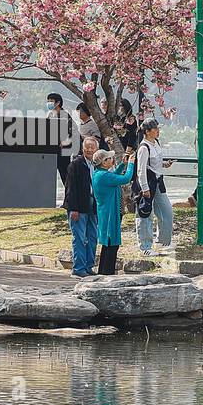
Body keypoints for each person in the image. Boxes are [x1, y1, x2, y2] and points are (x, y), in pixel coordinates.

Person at [91, 147, 136, 275]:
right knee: (112, 244)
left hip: (107, 212)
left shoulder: (100, 174)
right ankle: (107, 272)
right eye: (109, 158)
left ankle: (103, 271)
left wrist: (123, 164)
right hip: (110, 213)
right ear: (104, 162)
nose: (112, 160)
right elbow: (126, 179)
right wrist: (131, 164)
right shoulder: (104, 176)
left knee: (107, 244)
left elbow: (114, 176)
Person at [134, 118, 175, 255]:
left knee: (167, 211)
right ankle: (145, 247)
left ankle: (163, 241)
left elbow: (155, 162)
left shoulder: (155, 143)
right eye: (155, 128)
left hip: (158, 182)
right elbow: (141, 170)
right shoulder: (143, 148)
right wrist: (145, 189)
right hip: (148, 184)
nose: (158, 130)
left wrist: (165, 164)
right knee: (145, 213)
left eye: (158, 128)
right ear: (147, 132)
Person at [61, 136, 99, 277]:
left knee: (92, 237)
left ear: (96, 149)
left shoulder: (96, 165)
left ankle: (89, 266)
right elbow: (70, 189)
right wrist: (73, 209)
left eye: (92, 147)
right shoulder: (76, 164)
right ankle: (78, 268)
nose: (89, 149)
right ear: (83, 148)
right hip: (78, 206)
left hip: (93, 206)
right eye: (87, 147)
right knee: (79, 238)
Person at [47, 92, 77, 187]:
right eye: (48, 101)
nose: (48, 103)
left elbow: (74, 132)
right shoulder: (50, 114)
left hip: (63, 150)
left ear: (58, 102)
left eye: (51, 101)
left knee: (65, 175)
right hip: (51, 149)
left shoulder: (65, 116)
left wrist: (65, 142)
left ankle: (70, 196)